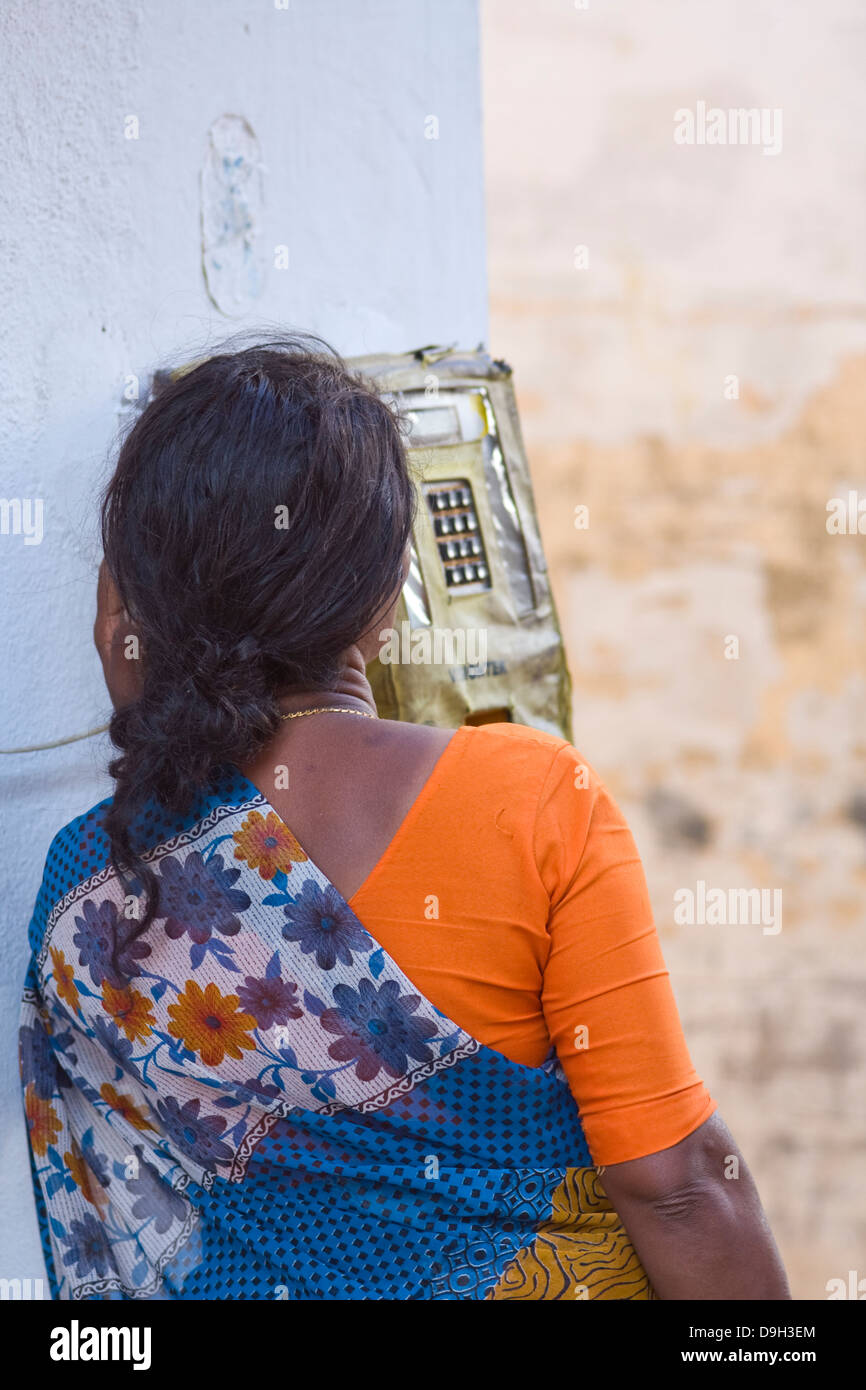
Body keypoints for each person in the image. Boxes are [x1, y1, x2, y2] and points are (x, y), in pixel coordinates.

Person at [19, 335, 790, 1300]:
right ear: (384, 601)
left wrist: (145, 689)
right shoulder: (529, 800)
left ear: (126, 601)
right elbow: (676, 1188)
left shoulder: (93, 882)